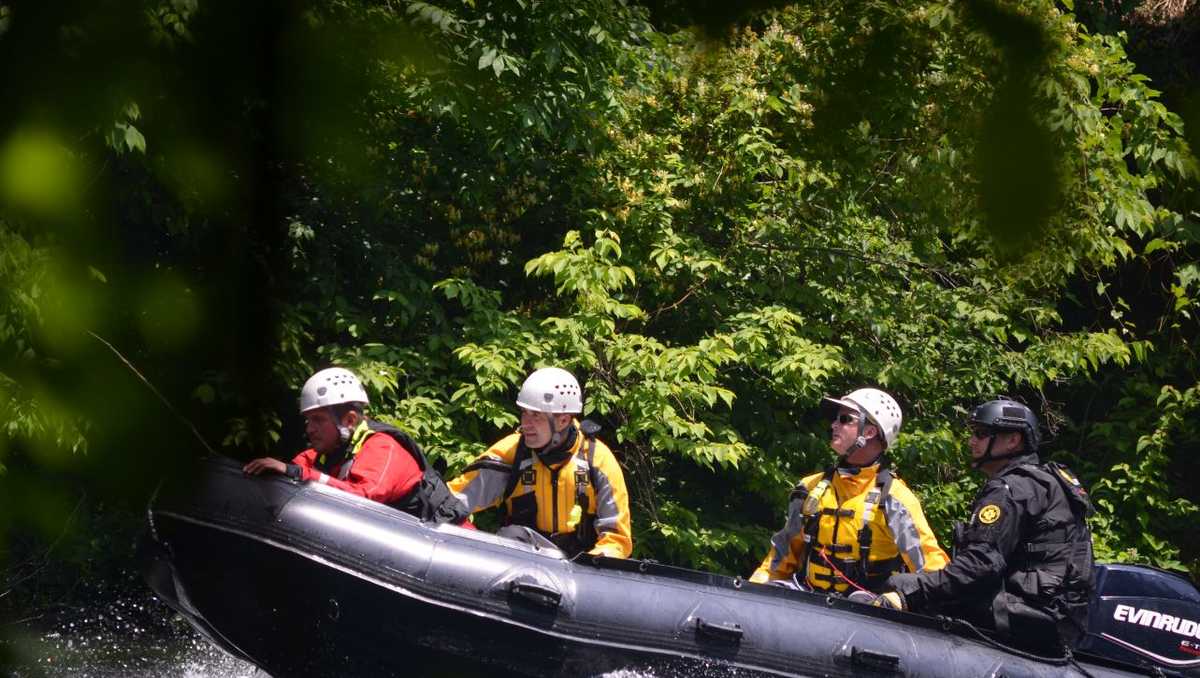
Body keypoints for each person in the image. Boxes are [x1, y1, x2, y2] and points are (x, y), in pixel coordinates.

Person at [879, 399, 1094, 652]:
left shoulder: (1010, 489)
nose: (971, 441)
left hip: (1035, 615)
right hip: (1058, 615)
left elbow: (980, 565)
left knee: (905, 588)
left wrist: (910, 590)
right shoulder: (1042, 482)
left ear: (1013, 440)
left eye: (981, 434)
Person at [749, 388, 949, 594]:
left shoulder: (896, 499)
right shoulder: (808, 488)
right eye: (836, 419)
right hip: (809, 599)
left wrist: (902, 600)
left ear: (869, 432)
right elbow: (781, 557)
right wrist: (753, 589)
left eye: (845, 419)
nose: (834, 425)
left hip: (866, 609)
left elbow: (932, 569)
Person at [243, 367, 470, 526]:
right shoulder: (325, 453)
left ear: (349, 421)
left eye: (318, 420)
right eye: (308, 420)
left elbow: (363, 498)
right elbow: (296, 468)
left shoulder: (383, 447)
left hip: (449, 540)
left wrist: (297, 473)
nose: (310, 429)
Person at [447, 367, 633, 559]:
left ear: (563, 420)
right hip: (526, 558)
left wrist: (590, 565)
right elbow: (453, 501)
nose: (525, 424)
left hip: (580, 565)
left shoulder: (597, 459)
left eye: (536, 415)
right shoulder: (512, 452)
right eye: (524, 413)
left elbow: (617, 539)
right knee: (511, 535)